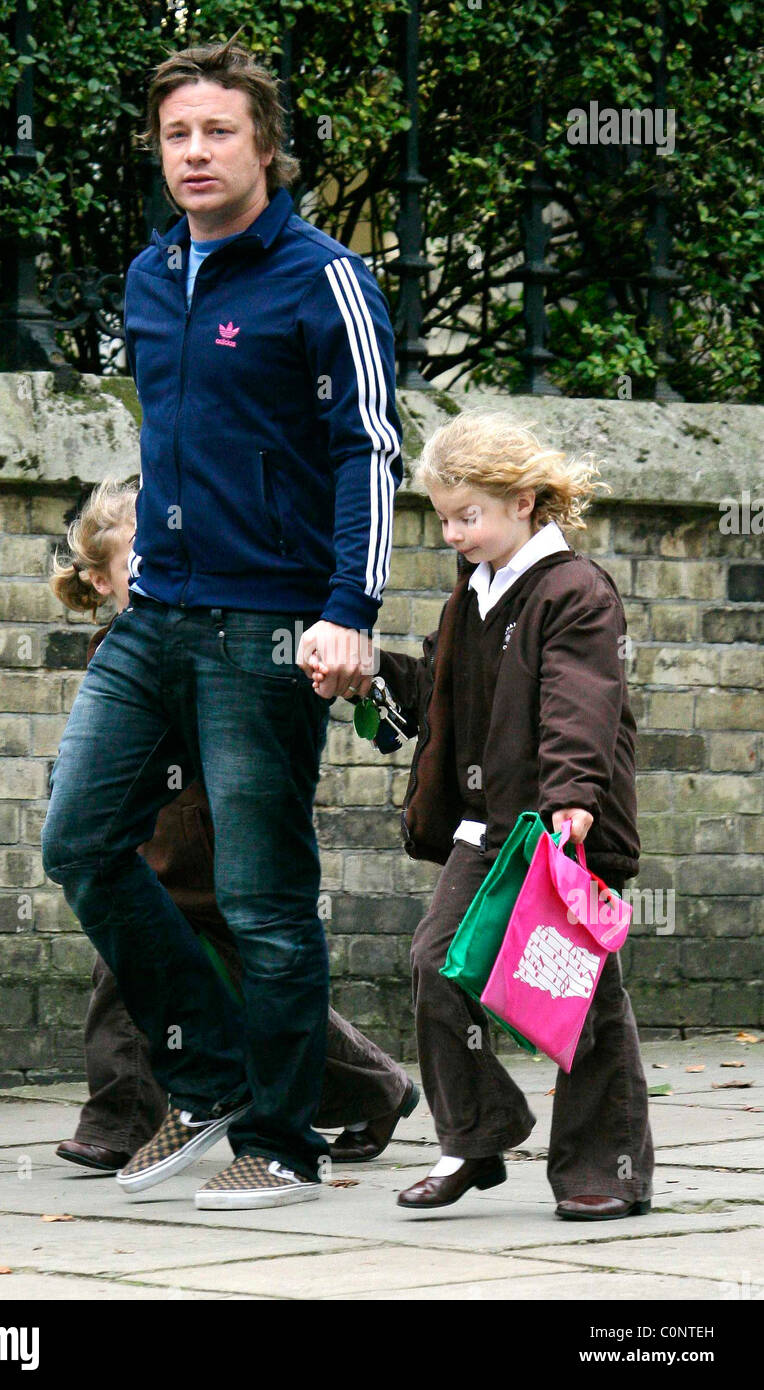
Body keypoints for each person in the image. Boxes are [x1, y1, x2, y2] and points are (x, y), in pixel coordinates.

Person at [41, 36, 403, 1210]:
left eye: (218, 132)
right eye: (175, 135)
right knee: (82, 840)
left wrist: (348, 611)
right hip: (157, 613)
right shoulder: (153, 278)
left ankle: (284, 1142)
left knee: (260, 898)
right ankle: (206, 1084)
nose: (194, 153)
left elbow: (370, 450)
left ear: (266, 145)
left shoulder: (323, 277)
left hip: (268, 625)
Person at [311, 411, 654, 1220]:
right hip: (491, 833)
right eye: (443, 516)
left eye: (469, 515)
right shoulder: (472, 593)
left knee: (580, 995)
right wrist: (370, 683)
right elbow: (440, 694)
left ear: (525, 501)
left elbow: (581, 703)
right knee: (439, 964)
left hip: (559, 827)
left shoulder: (573, 590)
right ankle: (477, 1132)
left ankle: (603, 1167)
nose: (454, 532)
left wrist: (572, 799)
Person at [47, 480, 418, 1179]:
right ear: (101, 581)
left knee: (251, 979)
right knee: (132, 968)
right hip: (149, 851)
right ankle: (119, 1119)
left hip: (211, 851)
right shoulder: (120, 656)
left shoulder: (215, 643)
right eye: (138, 566)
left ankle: (374, 1087)